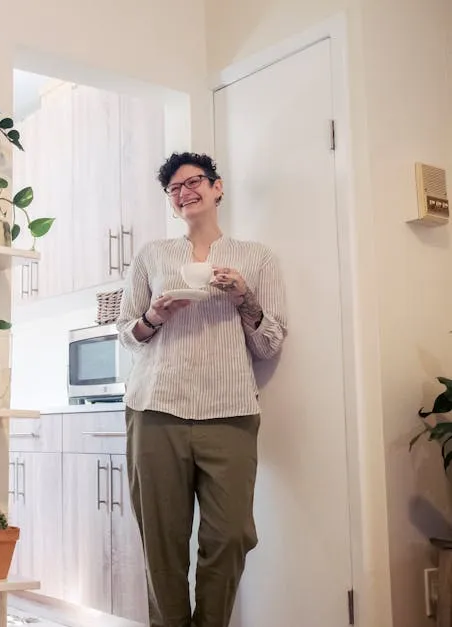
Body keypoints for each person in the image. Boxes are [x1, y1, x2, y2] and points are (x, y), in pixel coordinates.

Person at [117, 152, 287, 627]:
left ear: (217, 189)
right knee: (162, 543)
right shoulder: (152, 255)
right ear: (172, 203)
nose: (184, 191)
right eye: (174, 188)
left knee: (231, 535)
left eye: (193, 182)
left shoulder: (256, 258)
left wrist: (242, 297)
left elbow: (270, 343)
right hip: (155, 409)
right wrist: (155, 315)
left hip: (230, 410)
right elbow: (126, 333)